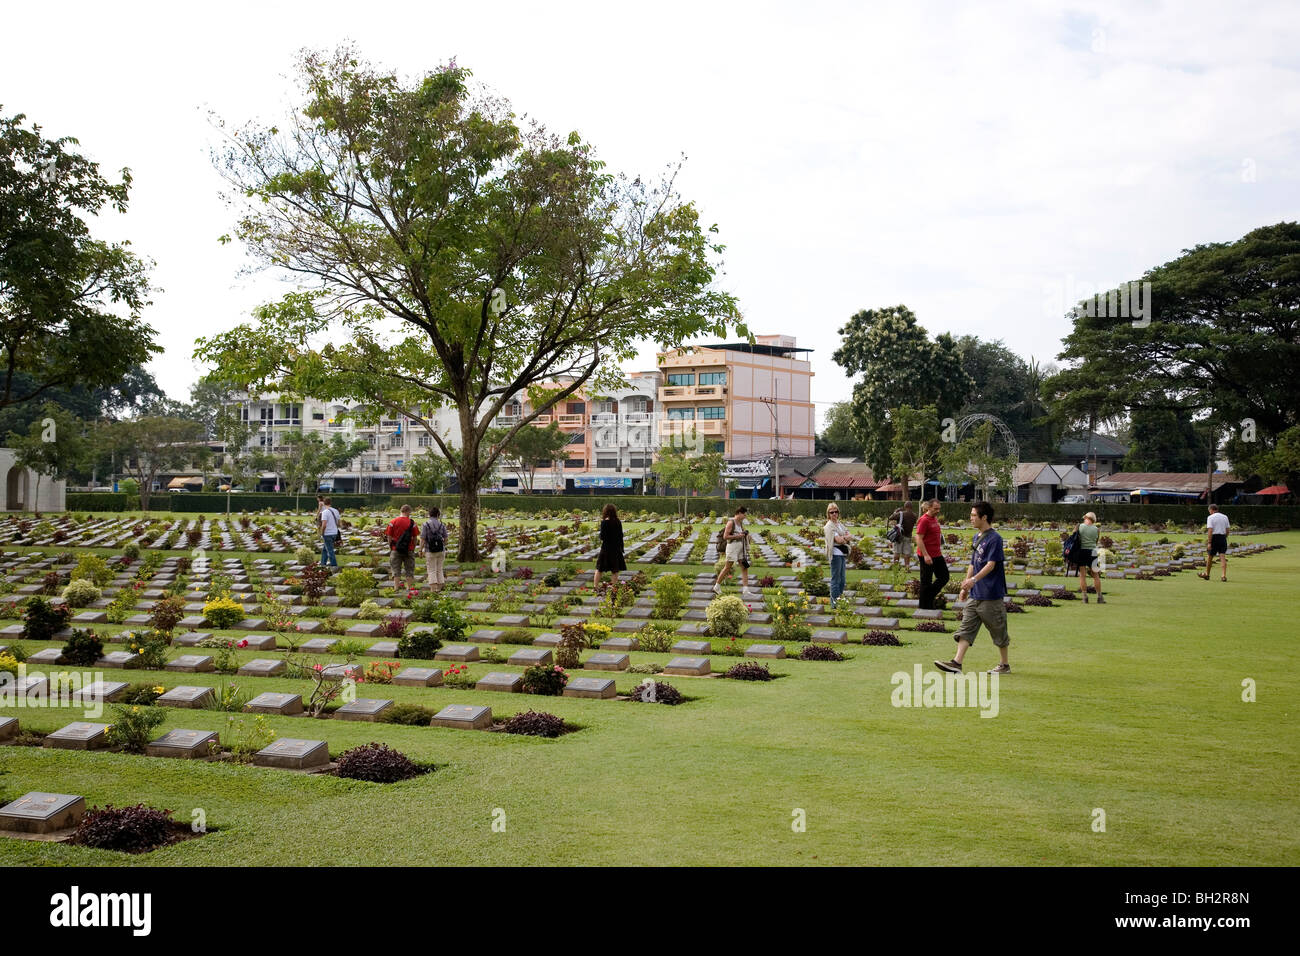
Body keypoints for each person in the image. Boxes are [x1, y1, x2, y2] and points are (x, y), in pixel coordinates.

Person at [934, 501, 1011, 675]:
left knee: (999, 632)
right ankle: (957, 663)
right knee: (966, 628)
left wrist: (974, 580)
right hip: (975, 594)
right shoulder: (977, 537)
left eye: (974, 515)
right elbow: (972, 564)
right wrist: (965, 585)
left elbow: (991, 565)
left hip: (991, 594)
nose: (971, 518)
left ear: (984, 517)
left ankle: (1004, 665)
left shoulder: (995, 539)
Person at [915, 498, 949, 610]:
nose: (938, 511)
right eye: (935, 509)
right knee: (926, 582)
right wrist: (925, 555)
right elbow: (918, 538)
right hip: (926, 556)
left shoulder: (934, 519)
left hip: (937, 554)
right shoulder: (924, 520)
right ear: (929, 507)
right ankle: (924, 607)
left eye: (939, 508)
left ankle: (928, 598)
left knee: (944, 577)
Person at [713, 505, 754, 597]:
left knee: (744, 567)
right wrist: (738, 536)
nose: (745, 517)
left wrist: (747, 535)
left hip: (740, 548)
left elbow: (741, 533)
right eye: (744, 514)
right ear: (739, 513)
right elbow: (725, 536)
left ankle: (746, 589)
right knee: (728, 567)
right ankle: (717, 586)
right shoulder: (731, 523)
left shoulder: (740, 523)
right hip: (732, 547)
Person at [384, 504, 420, 590]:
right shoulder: (412, 523)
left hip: (395, 548)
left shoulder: (393, 522)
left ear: (401, 511)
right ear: (408, 512)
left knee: (396, 568)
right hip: (409, 549)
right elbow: (415, 537)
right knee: (409, 569)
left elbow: (389, 536)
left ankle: (396, 587)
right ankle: (409, 587)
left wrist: (391, 546)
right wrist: (413, 547)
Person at [824, 503, 851, 607]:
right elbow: (838, 540)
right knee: (835, 579)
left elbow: (850, 535)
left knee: (842, 579)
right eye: (832, 512)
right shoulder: (829, 526)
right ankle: (834, 602)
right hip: (835, 554)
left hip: (842, 554)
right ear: (828, 514)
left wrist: (843, 537)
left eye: (836, 512)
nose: (834, 514)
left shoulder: (839, 524)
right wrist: (844, 537)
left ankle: (840, 599)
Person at [1075, 511, 1105, 603]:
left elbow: (1074, 538)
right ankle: (1099, 597)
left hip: (1082, 552)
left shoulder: (1079, 526)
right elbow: (1096, 541)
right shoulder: (1096, 529)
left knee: (1082, 576)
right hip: (1092, 552)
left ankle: (1084, 597)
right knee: (1096, 575)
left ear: (1086, 518)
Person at [595, 503, 627, 587]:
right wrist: (621, 548)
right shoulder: (618, 522)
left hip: (606, 548)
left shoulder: (604, 522)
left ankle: (595, 587)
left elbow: (602, 537)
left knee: (599, 569)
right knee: (615, 570)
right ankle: (614, 588)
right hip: (616, 548)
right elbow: (621, 535)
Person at [1199, 503, 1230, 581]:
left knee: (1210, 557)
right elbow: (1227, 530)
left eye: (1209, 511)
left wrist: (1209, 542)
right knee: (1222, 556)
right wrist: (1224, 538)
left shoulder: (1210, 517)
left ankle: (1207, 574)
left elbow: (1210, 530)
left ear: (1211, 510)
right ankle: (1223, 575)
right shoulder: (1225, 517)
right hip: (1223, 537)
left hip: (1214, 538)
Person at [420, 506, 448, 590]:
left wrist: (420, 549)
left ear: (429, 514)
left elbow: (422, 538)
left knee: (431, 569)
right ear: (438, 515)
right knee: (439, 569)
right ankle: (439, 589)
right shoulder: (442, 525)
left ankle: (433, 590)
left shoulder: (425, 524)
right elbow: (446, 539)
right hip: (440, 550)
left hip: (430, 550)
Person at [889, 502, 918, 571]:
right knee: (907, 553)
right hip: (908, 536)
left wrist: (896, 512)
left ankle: (896, 567)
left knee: (897, 552)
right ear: (911, 507)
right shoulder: (914, 515)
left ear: (905, 506)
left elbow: (890, 517)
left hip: (899, 536)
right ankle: (907, 568)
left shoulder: (901, 514)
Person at [318, 496, 341, 568]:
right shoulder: (336, 511)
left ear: (324, 503)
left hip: (327, 533)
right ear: (330, 503)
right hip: (334, 533)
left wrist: (322, 533)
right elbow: (339, 523)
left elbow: (324, 524)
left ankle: (334, 565)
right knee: (325, 549)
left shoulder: (324, 512)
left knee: (330, 550)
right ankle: (323, 563)